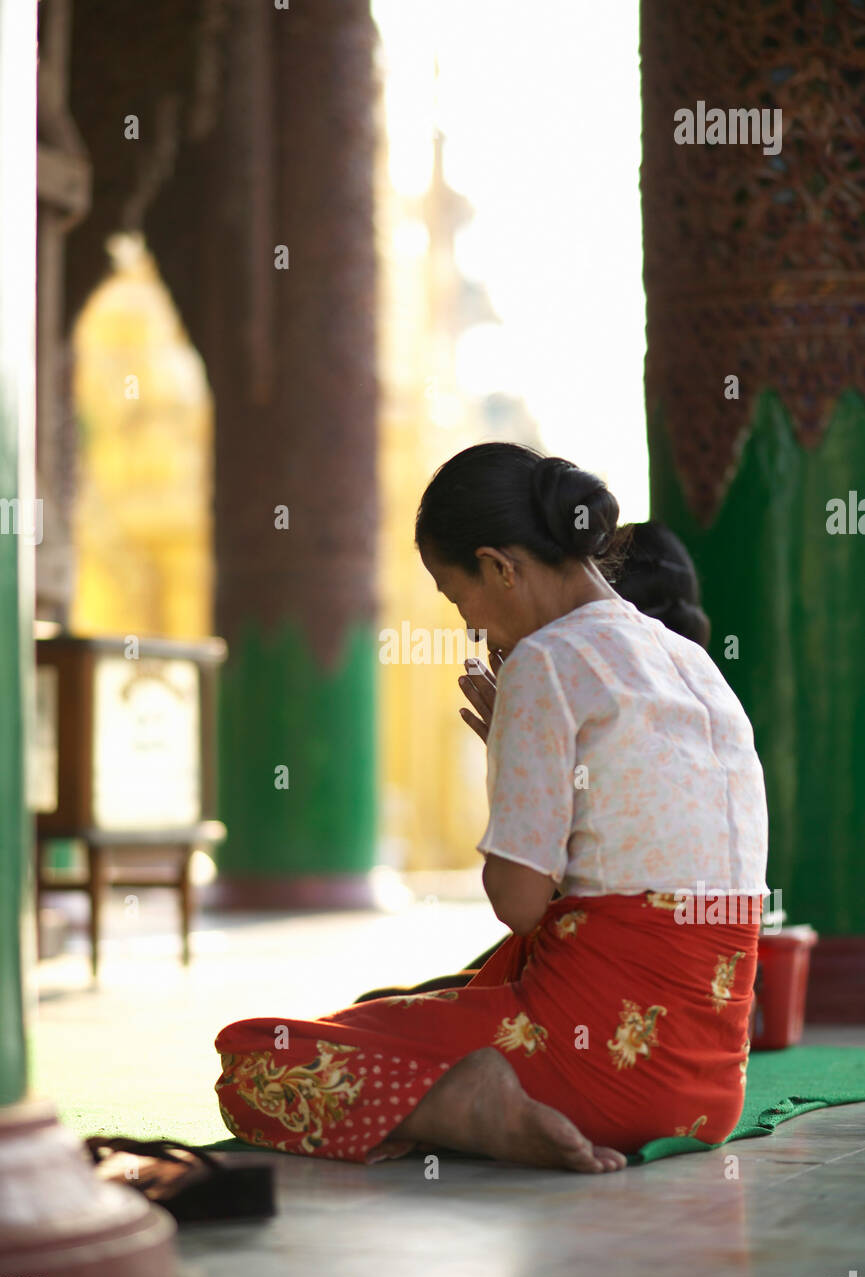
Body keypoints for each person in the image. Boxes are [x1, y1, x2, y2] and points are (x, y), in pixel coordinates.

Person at [214, 443, 769, 1173]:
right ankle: (475, 1095)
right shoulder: (687, 660)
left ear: (500, 566)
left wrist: (507, 748)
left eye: (457, 597)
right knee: (387, 1016)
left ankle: (474, 1108)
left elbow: (519, 904)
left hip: (594, 1075)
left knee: (255, 1061)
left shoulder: (545, 661)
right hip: (703, 1093)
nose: (469, 626)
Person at [355, 518, 713, 1001]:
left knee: (377, 1013)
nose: (473, 630)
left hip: (623, 990)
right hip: (676, 987)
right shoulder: (701, 694)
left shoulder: (597, 685)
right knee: (399, 1001)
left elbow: (531, 903)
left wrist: (519, 752)